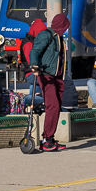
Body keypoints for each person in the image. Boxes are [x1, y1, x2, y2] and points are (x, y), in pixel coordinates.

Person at [29, 13, 70, 152]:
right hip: (46, 75)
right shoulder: (46, 35)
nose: (66, 29)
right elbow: (34, 51)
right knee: (53, 106)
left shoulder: (59, 38)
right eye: (65, 26)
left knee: (56, 107)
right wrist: (34, 65)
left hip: (57, 77)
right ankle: (46, 139)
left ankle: (50, 138)